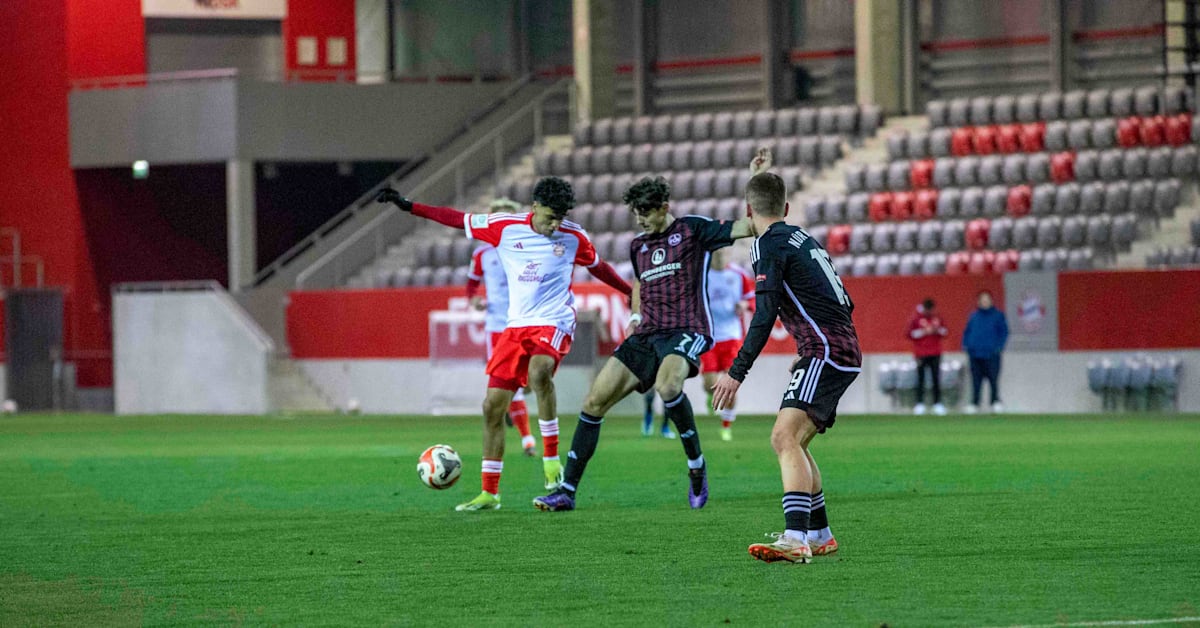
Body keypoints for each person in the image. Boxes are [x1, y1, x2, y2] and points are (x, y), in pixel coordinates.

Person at [376, 178, 632, 511]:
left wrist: (627, 290)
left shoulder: (573, 236)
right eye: (550, 217)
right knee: (492, 407)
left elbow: (599, 267)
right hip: (515, 326)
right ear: (535, 205)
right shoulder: (504, 226)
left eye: (561, 217)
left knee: (540, 372)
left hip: (554, 319)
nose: (555, 224)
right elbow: (454, 218)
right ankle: (489, 493)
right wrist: (409, 205)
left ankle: (551, 461)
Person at [532, 168, 759, 513]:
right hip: (647, 334)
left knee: (668, 387)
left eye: (646, 212)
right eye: (635, 213)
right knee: (593, 401)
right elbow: (639, 286)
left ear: (664, 206)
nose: (640, 220)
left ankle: (696, 468)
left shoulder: (692, 229)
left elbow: (747, 227)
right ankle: (567, 491)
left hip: (687, 330)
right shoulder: (638, 246)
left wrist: (756, 181)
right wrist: (635, 317)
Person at [712, 170, 861, 564]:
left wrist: (736, 372)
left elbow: (763, 316)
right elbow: (844, 301)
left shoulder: (766, 245)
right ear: (787, 208)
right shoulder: (804, 239)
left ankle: (795, 538)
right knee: (796, 440)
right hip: (835, 346)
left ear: (748, 210)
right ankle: (820, 534)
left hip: (826, 349)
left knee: (783, 438)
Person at [466, 197, 535, 456]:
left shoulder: (526, 247)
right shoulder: (482, 253)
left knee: (527, 381)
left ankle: (511, 408)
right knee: (507, 380)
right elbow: (472, 285)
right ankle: (528, 439)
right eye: (497, 217)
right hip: (496, 324)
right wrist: (474, 300)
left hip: (526, 321)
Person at [701, 247, 756, 441]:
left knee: (730, 384)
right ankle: (710, 395)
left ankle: (726, 426)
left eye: (723, 254)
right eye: (716, 254)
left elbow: (752, 300)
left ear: (729, 255)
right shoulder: (703, 274)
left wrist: (744, 305)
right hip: (709, 337)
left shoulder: (738, 275)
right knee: (709, 383)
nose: (720, 257)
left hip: (732, 337)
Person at [962, 290, 1009, 414]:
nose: (984, 302)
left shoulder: (998, 316)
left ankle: (995, 402)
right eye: (982, 300)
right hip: (975, 353)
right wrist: (967, 345)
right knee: (976, 381)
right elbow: (967, 332)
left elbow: (1004, 332)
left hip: (991, 354)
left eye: (986, 299)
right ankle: (974, 403)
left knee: (993, 379)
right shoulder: (974, 316)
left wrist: (998, 347)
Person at [906, 297, 948, 416]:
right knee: (920, 379)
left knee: (936, 379)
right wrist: (924, 331)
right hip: (921, 353)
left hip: (935, 353)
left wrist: (935, 330)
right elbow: (909, 333)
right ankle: (920, 403)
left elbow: (945, 331)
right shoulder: (917, 319)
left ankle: (937, 403)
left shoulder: (937, 318)